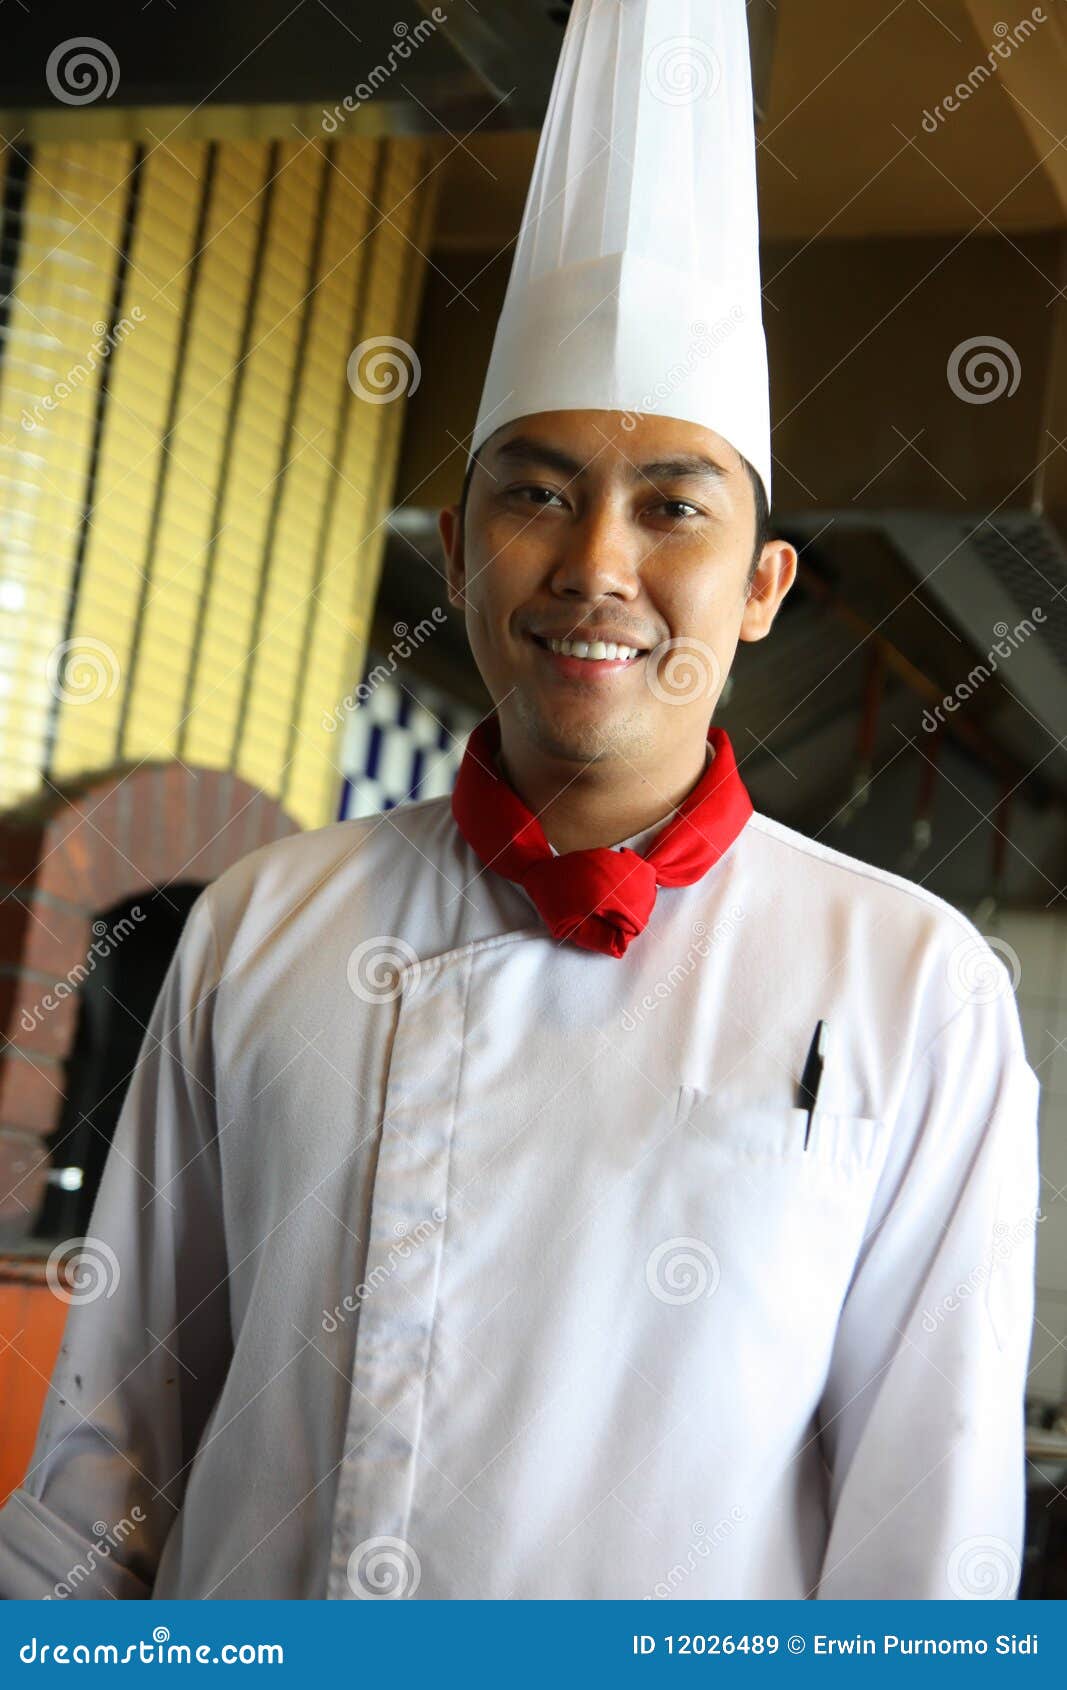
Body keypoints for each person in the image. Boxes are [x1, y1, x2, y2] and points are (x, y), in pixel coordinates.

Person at [0, 0, 1040, 1600]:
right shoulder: (263, 920)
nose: (597, 565)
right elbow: (108, 1453)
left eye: (669, 507)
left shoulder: (916, 990)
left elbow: (929, 1551)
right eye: (537, 491)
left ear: (764, 584)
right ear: (462, 533)